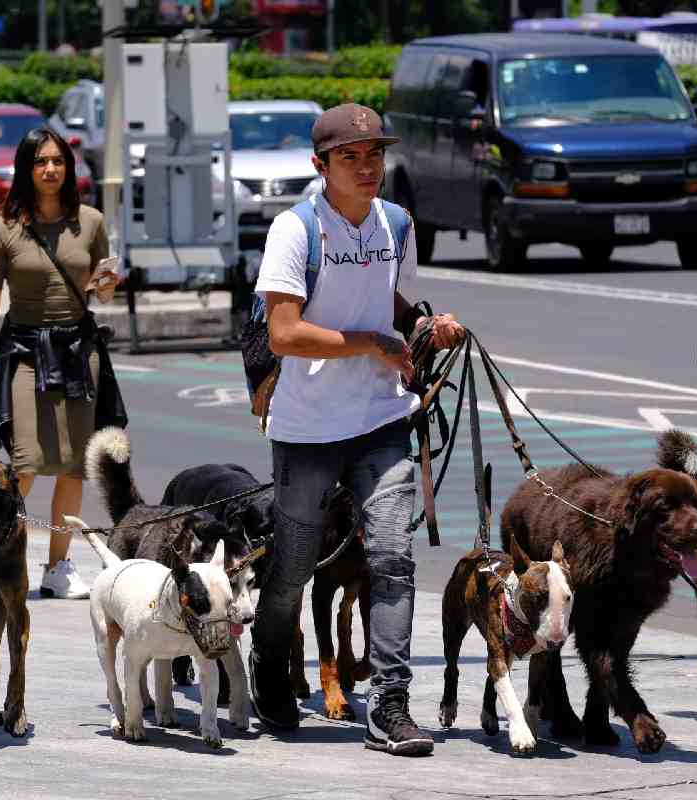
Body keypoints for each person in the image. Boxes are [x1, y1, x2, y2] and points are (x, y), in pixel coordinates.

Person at [248, 103, 465, 756]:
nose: (368, 167)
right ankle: (267, 663)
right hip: (307, 427)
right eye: (352, 157)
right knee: (291, 570)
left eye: (375, 154)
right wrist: (371, 341)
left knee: (394, 561)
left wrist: (426, 327)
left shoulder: (397, 223)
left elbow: (394, 306)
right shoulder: (294, 230)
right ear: (321, 165)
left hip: (380, 421)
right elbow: (283, 332)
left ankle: (390, 708)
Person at [0, 127, 114, 600]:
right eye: (40, 161)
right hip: (26, 351)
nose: (50, 169)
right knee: (25, 461)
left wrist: (108, 284)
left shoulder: (89, 222)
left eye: (57, 161)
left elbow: (100, 291)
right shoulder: (2, 229)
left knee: (73, 466)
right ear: (25, 169)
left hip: (77, 352)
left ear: (68, 168)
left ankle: (58, 567)